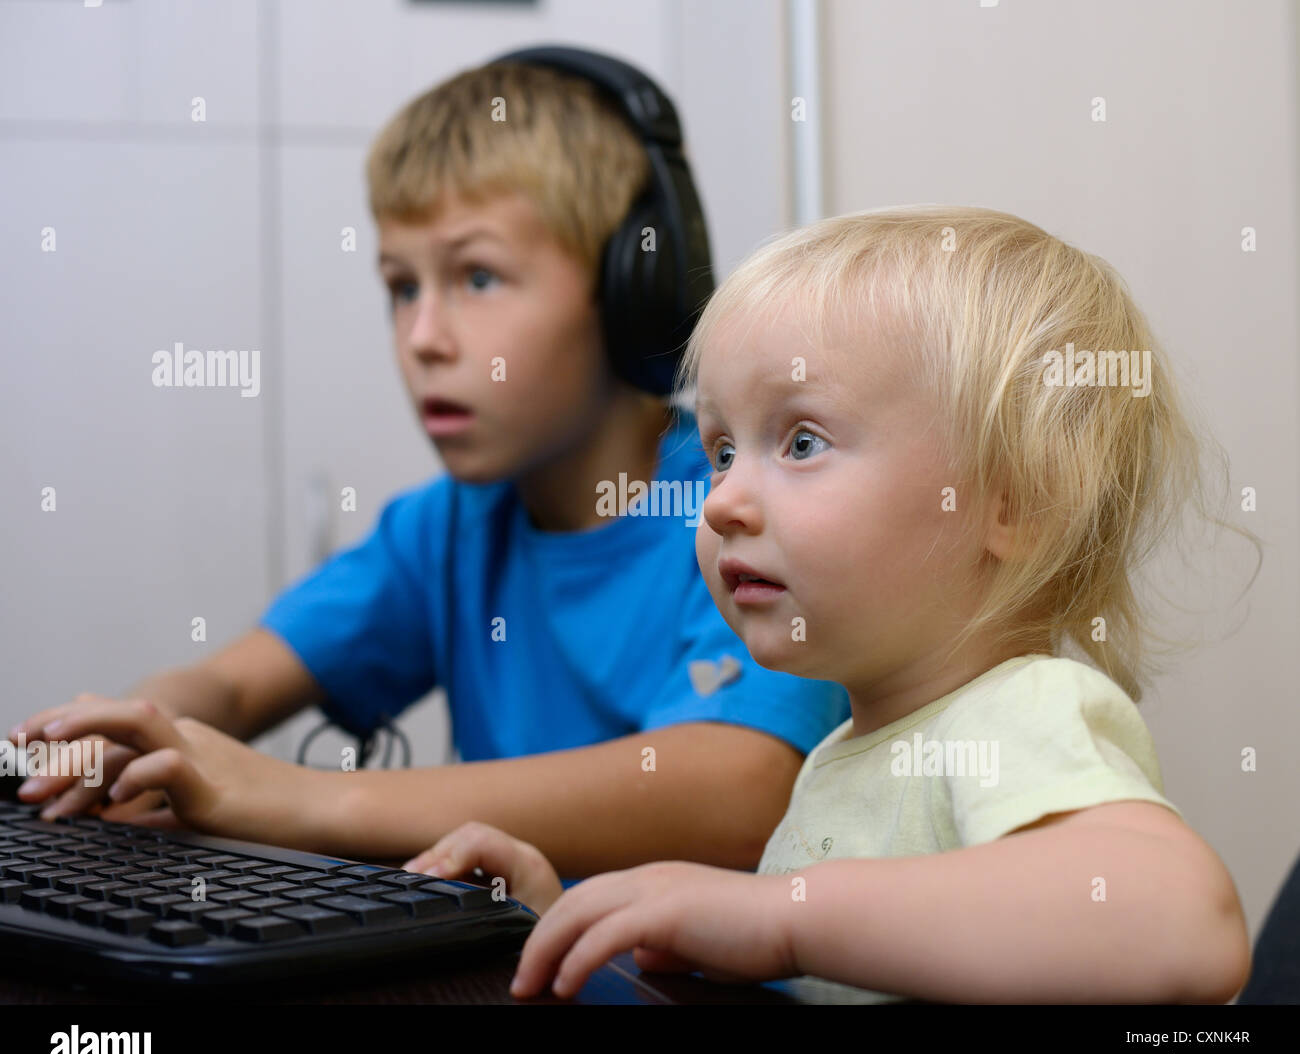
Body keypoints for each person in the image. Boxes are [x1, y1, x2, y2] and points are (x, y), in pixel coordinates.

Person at [7, 49, 849, 877]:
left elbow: (741, 789)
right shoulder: (443, 530)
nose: (423, 338)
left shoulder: (743, 508)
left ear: (633, 286)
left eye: (477, 277)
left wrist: (310, 801)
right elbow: (228, 688)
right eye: (402, 286)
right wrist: (139, 727)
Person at [408, 206, 1258, 1003]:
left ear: (1015, 505)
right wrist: (561, 923)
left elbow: (1184, 920)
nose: (722, 502)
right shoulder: (844, 756)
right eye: (723, 449)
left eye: (802, 441)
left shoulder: (1018, 714)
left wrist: (781, 916)